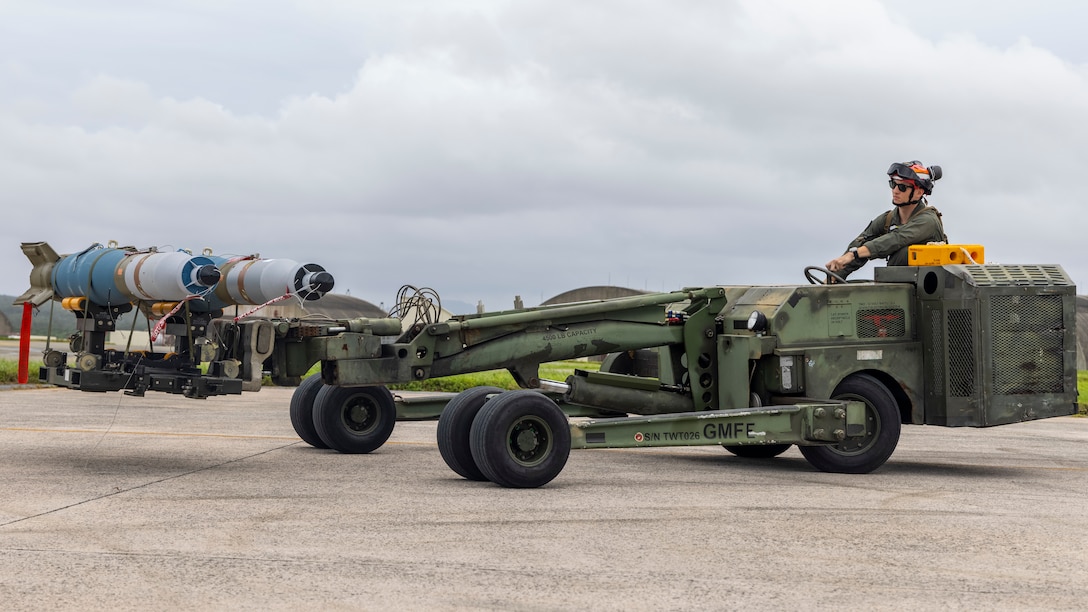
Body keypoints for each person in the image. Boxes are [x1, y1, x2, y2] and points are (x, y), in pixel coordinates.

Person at [826, 160, 947, 278]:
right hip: (899, 287)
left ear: (919, 192)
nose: (895, 191)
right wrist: (834, 275)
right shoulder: (888, 219)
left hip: (929, 289)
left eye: (902, 187)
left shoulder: (928, 221)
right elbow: (861, 241)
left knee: (904, 253)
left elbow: (896, 239)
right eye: (893, 184)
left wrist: (853, 255)